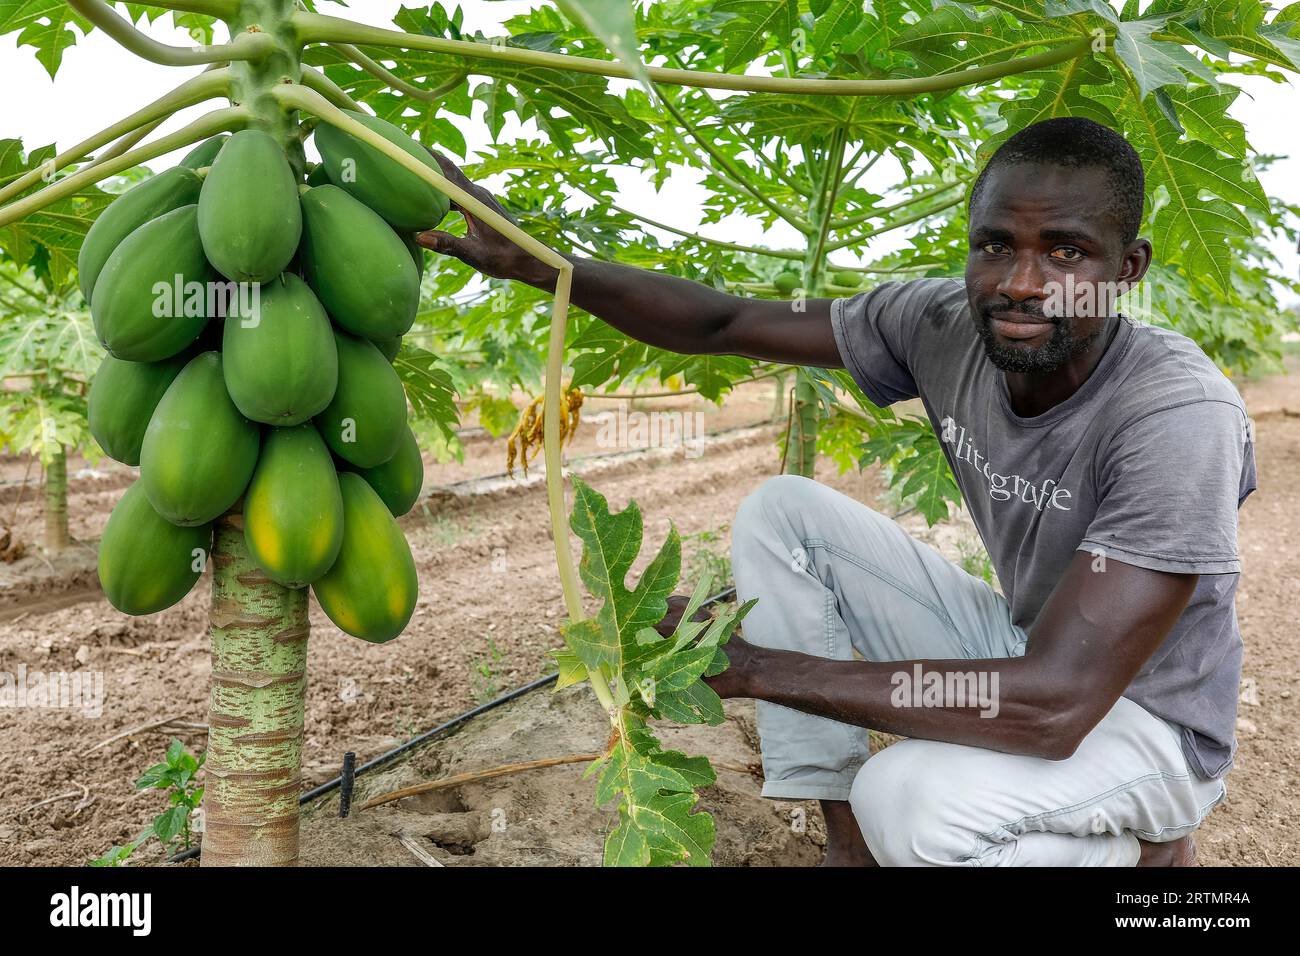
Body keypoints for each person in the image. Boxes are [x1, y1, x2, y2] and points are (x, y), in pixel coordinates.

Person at [418, 117, 1256, 867]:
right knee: (785, 514)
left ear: (1128, 266)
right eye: (994, 244)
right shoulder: (940, 327)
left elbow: (1056, 705)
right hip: (1028, 649)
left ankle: (1144, 864)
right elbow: (724, 323)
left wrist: (758, 671)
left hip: (1141, 721)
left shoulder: (1176, 416)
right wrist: (546, 267)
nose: (1020, 282)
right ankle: (847, 849)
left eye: (1066, 252)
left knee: (907, 801)